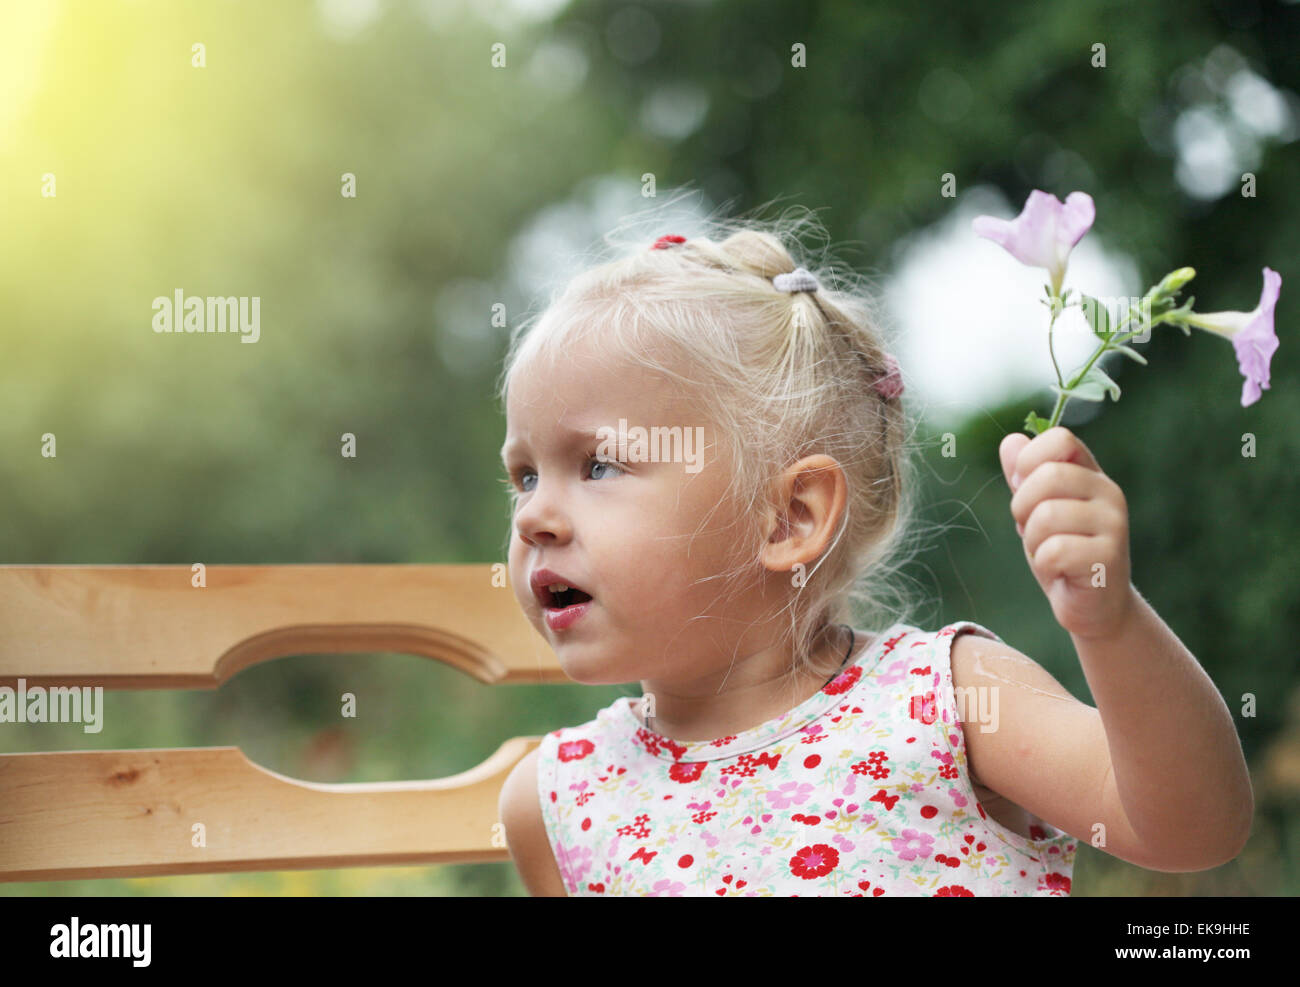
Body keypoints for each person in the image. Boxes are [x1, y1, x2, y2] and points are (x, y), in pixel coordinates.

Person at [494, 212, 1253, 896]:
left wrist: (1110, 622)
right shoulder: (558, 800)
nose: (534, 516)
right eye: (524, 475)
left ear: (790, 516)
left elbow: (1192, 829)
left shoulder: (946, 702)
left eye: (598, 465)